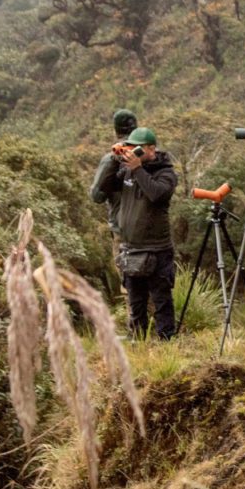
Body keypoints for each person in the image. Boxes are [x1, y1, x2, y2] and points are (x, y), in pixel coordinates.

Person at [89, 125, 180, 340]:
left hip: (157, 249)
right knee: (136, 301)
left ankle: (167, 342)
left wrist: (138, 169)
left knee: (161, 299)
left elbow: (157, 194)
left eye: (138, 149)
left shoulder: (166, 173)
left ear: (151, 149)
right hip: (131, 248)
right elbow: (102, 188)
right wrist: (113, 159)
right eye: (131, 148)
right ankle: (137, 342)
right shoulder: (126, 170)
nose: (134, 152)